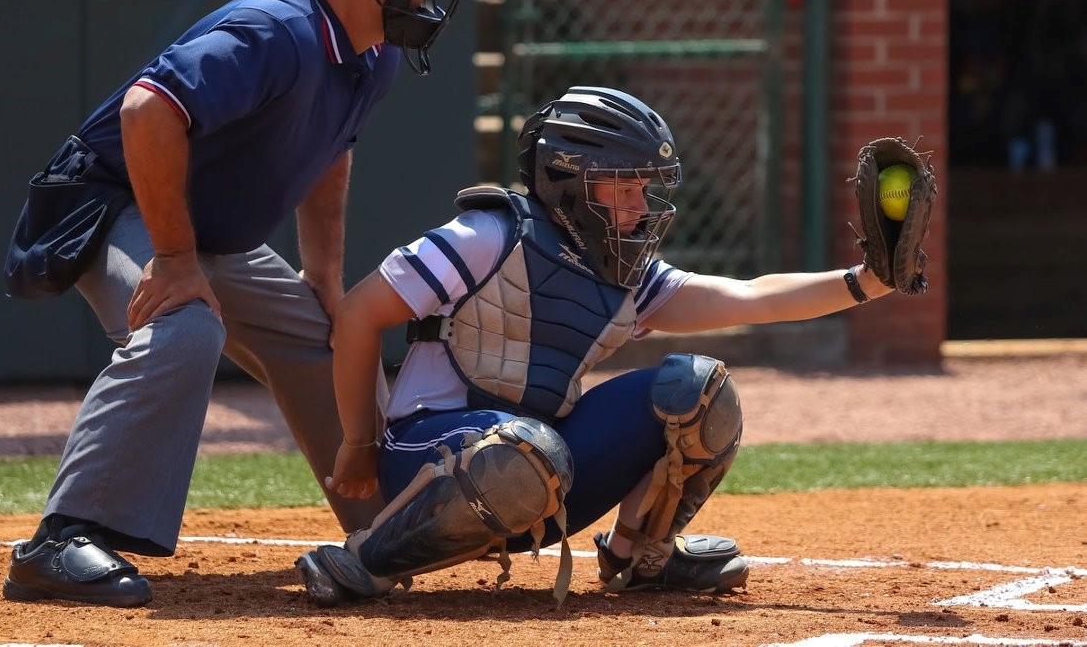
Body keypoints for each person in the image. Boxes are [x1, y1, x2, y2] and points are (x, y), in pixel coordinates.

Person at [2, 0, 469, 608]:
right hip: (111, 204)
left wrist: (323, 276)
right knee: (184, 328)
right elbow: (148, 110)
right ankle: (59, 540)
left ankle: (386, 527)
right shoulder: (274, 29)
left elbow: (330, 154)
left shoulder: (370, 52)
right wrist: (179, 261)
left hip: (205, 230)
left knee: (328, 336)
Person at [295, 86, 900, 607]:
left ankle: (640, 556)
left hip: (542, 471)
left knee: (699, 389)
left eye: (645, 188)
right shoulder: (486, 235)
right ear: (568, 180)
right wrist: (359, 443)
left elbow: (750, 297)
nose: (641, 208)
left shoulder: (627, 273)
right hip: (429, 454)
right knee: (525, 451)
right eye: (625, 186)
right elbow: (357, 315)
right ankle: (368, 561)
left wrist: (868, 281)